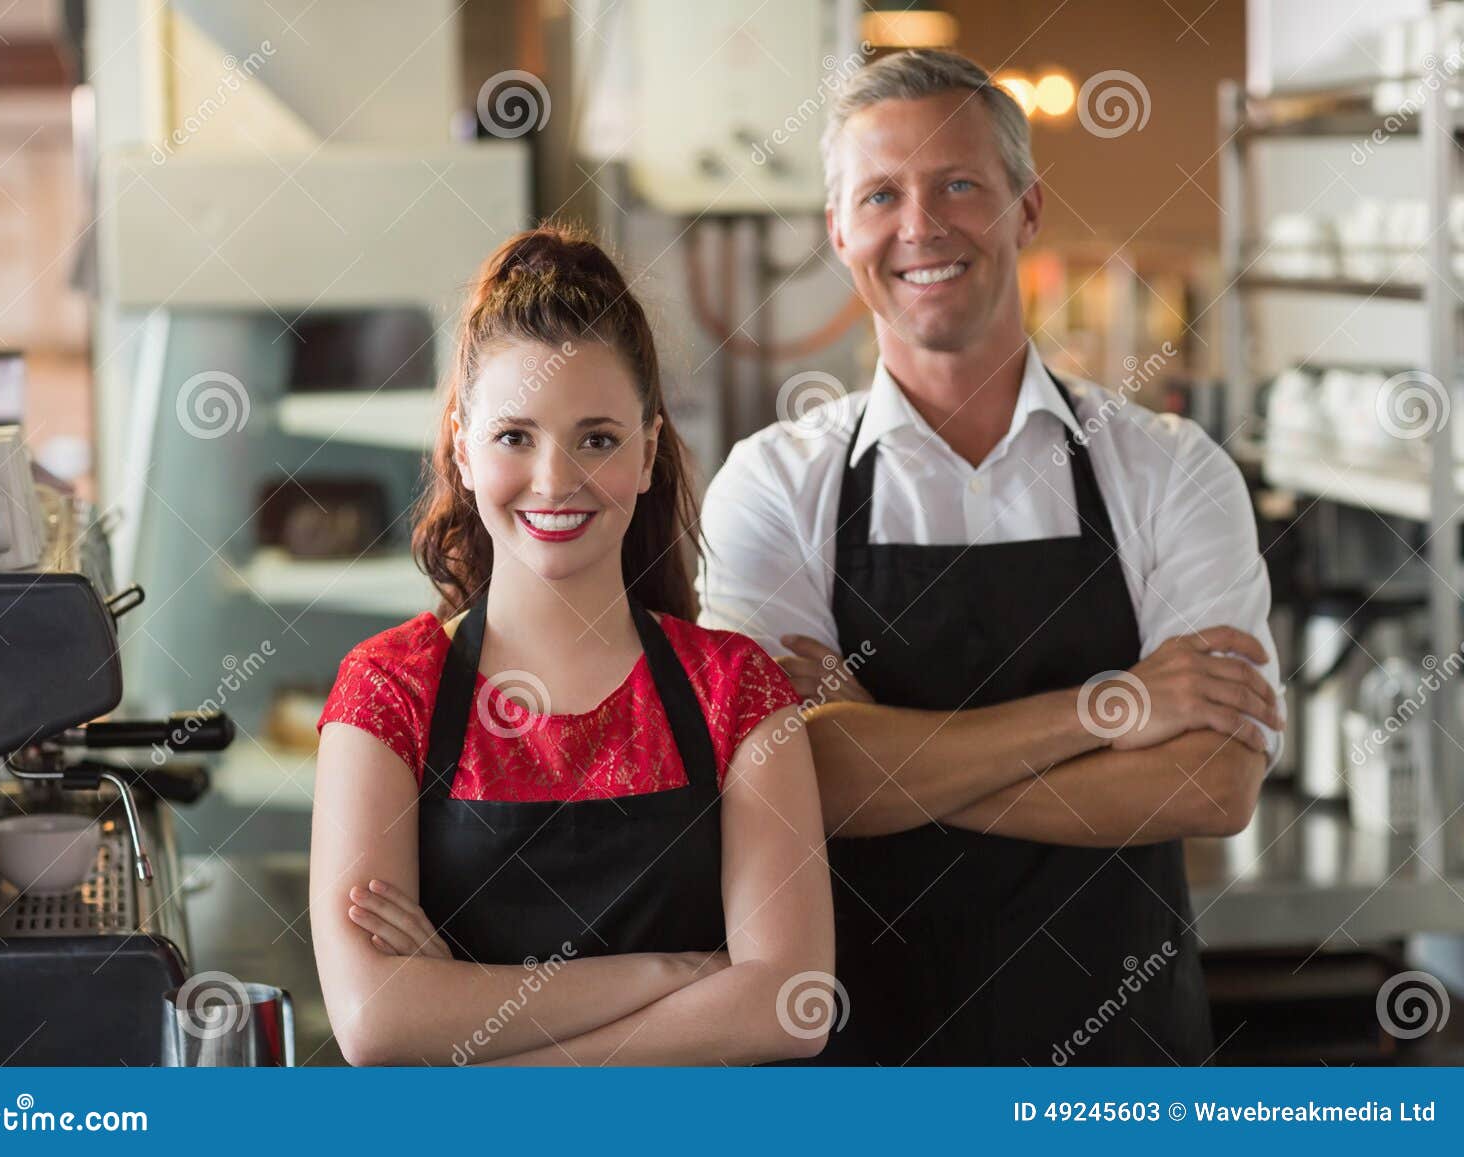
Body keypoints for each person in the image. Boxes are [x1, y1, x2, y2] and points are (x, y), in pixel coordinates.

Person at [696, 49, 1285, 1065]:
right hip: (864, 1073)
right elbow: (777, 786)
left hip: (1119, 1073)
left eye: (959, 184)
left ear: (1026, 208)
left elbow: (1211, 784)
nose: (921, 226)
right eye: (881, 195)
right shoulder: (774, 483)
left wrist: (878, 753)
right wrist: (1108, 713)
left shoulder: (1169, 470)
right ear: (838, 231)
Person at [311, 225, 834, 1066]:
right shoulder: (388, 690)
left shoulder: (737, 690)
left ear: (648, 451)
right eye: (514, 436)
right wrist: (675, 971)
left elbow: (791, 1005)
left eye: (597, 439)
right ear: (462, 448)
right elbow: (376, 1022)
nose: (556, 480)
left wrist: (473, 1028)